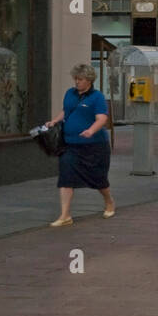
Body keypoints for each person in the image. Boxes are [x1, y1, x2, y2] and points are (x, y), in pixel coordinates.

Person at [47, 63, 114, 226]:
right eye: (75, 79)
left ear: (89, 80)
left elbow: (102, 119)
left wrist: (91, 131)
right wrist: (55, 120)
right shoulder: (70, 94)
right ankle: (65, 215)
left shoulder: (96, 97)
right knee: (65, 177)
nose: (77, 82)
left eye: (80, 79)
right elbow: (66, 111)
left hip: (94, 146)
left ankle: (109, 202)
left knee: (99, 179)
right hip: (70, 145)